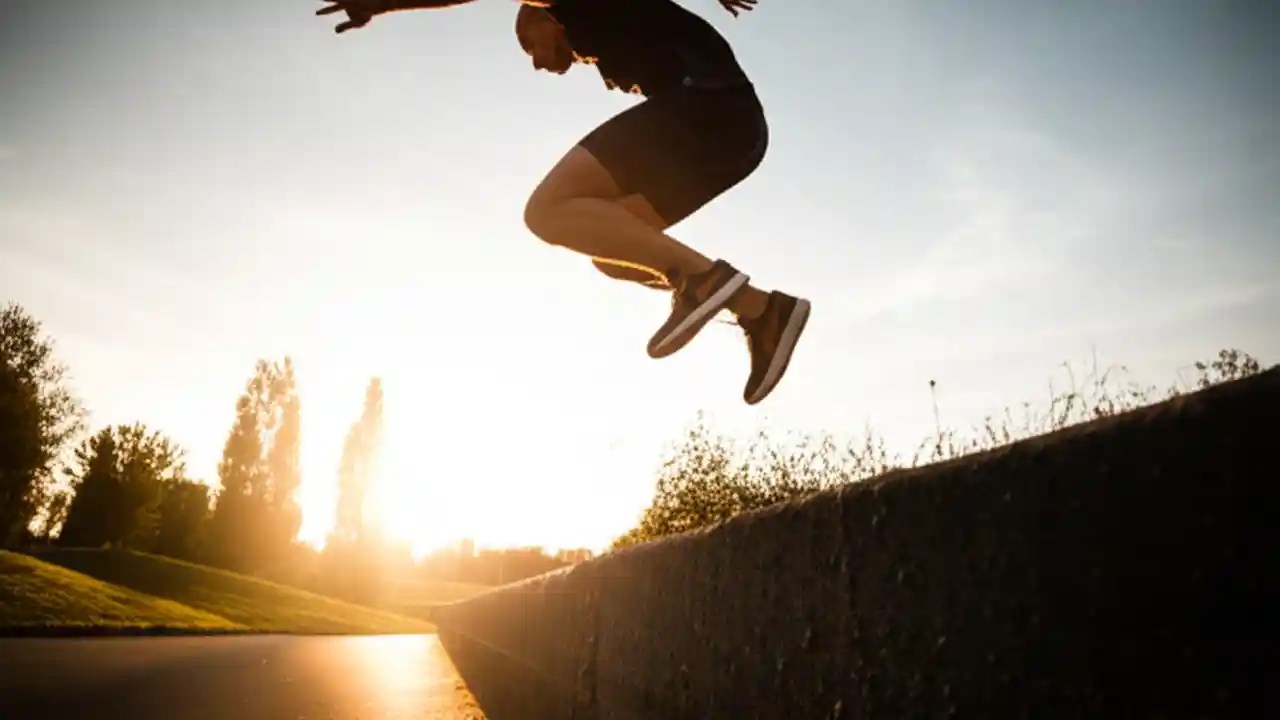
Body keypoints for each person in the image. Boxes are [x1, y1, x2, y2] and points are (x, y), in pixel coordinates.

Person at [316, 0, 810, 405]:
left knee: (548, 210)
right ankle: (762, 312)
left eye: (529, 45)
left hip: (711, 106)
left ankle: (701, 281)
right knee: (611, 250)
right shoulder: (611, 33)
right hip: (735, 138)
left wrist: (381, 4)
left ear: (545, 14)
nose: (535, 61)